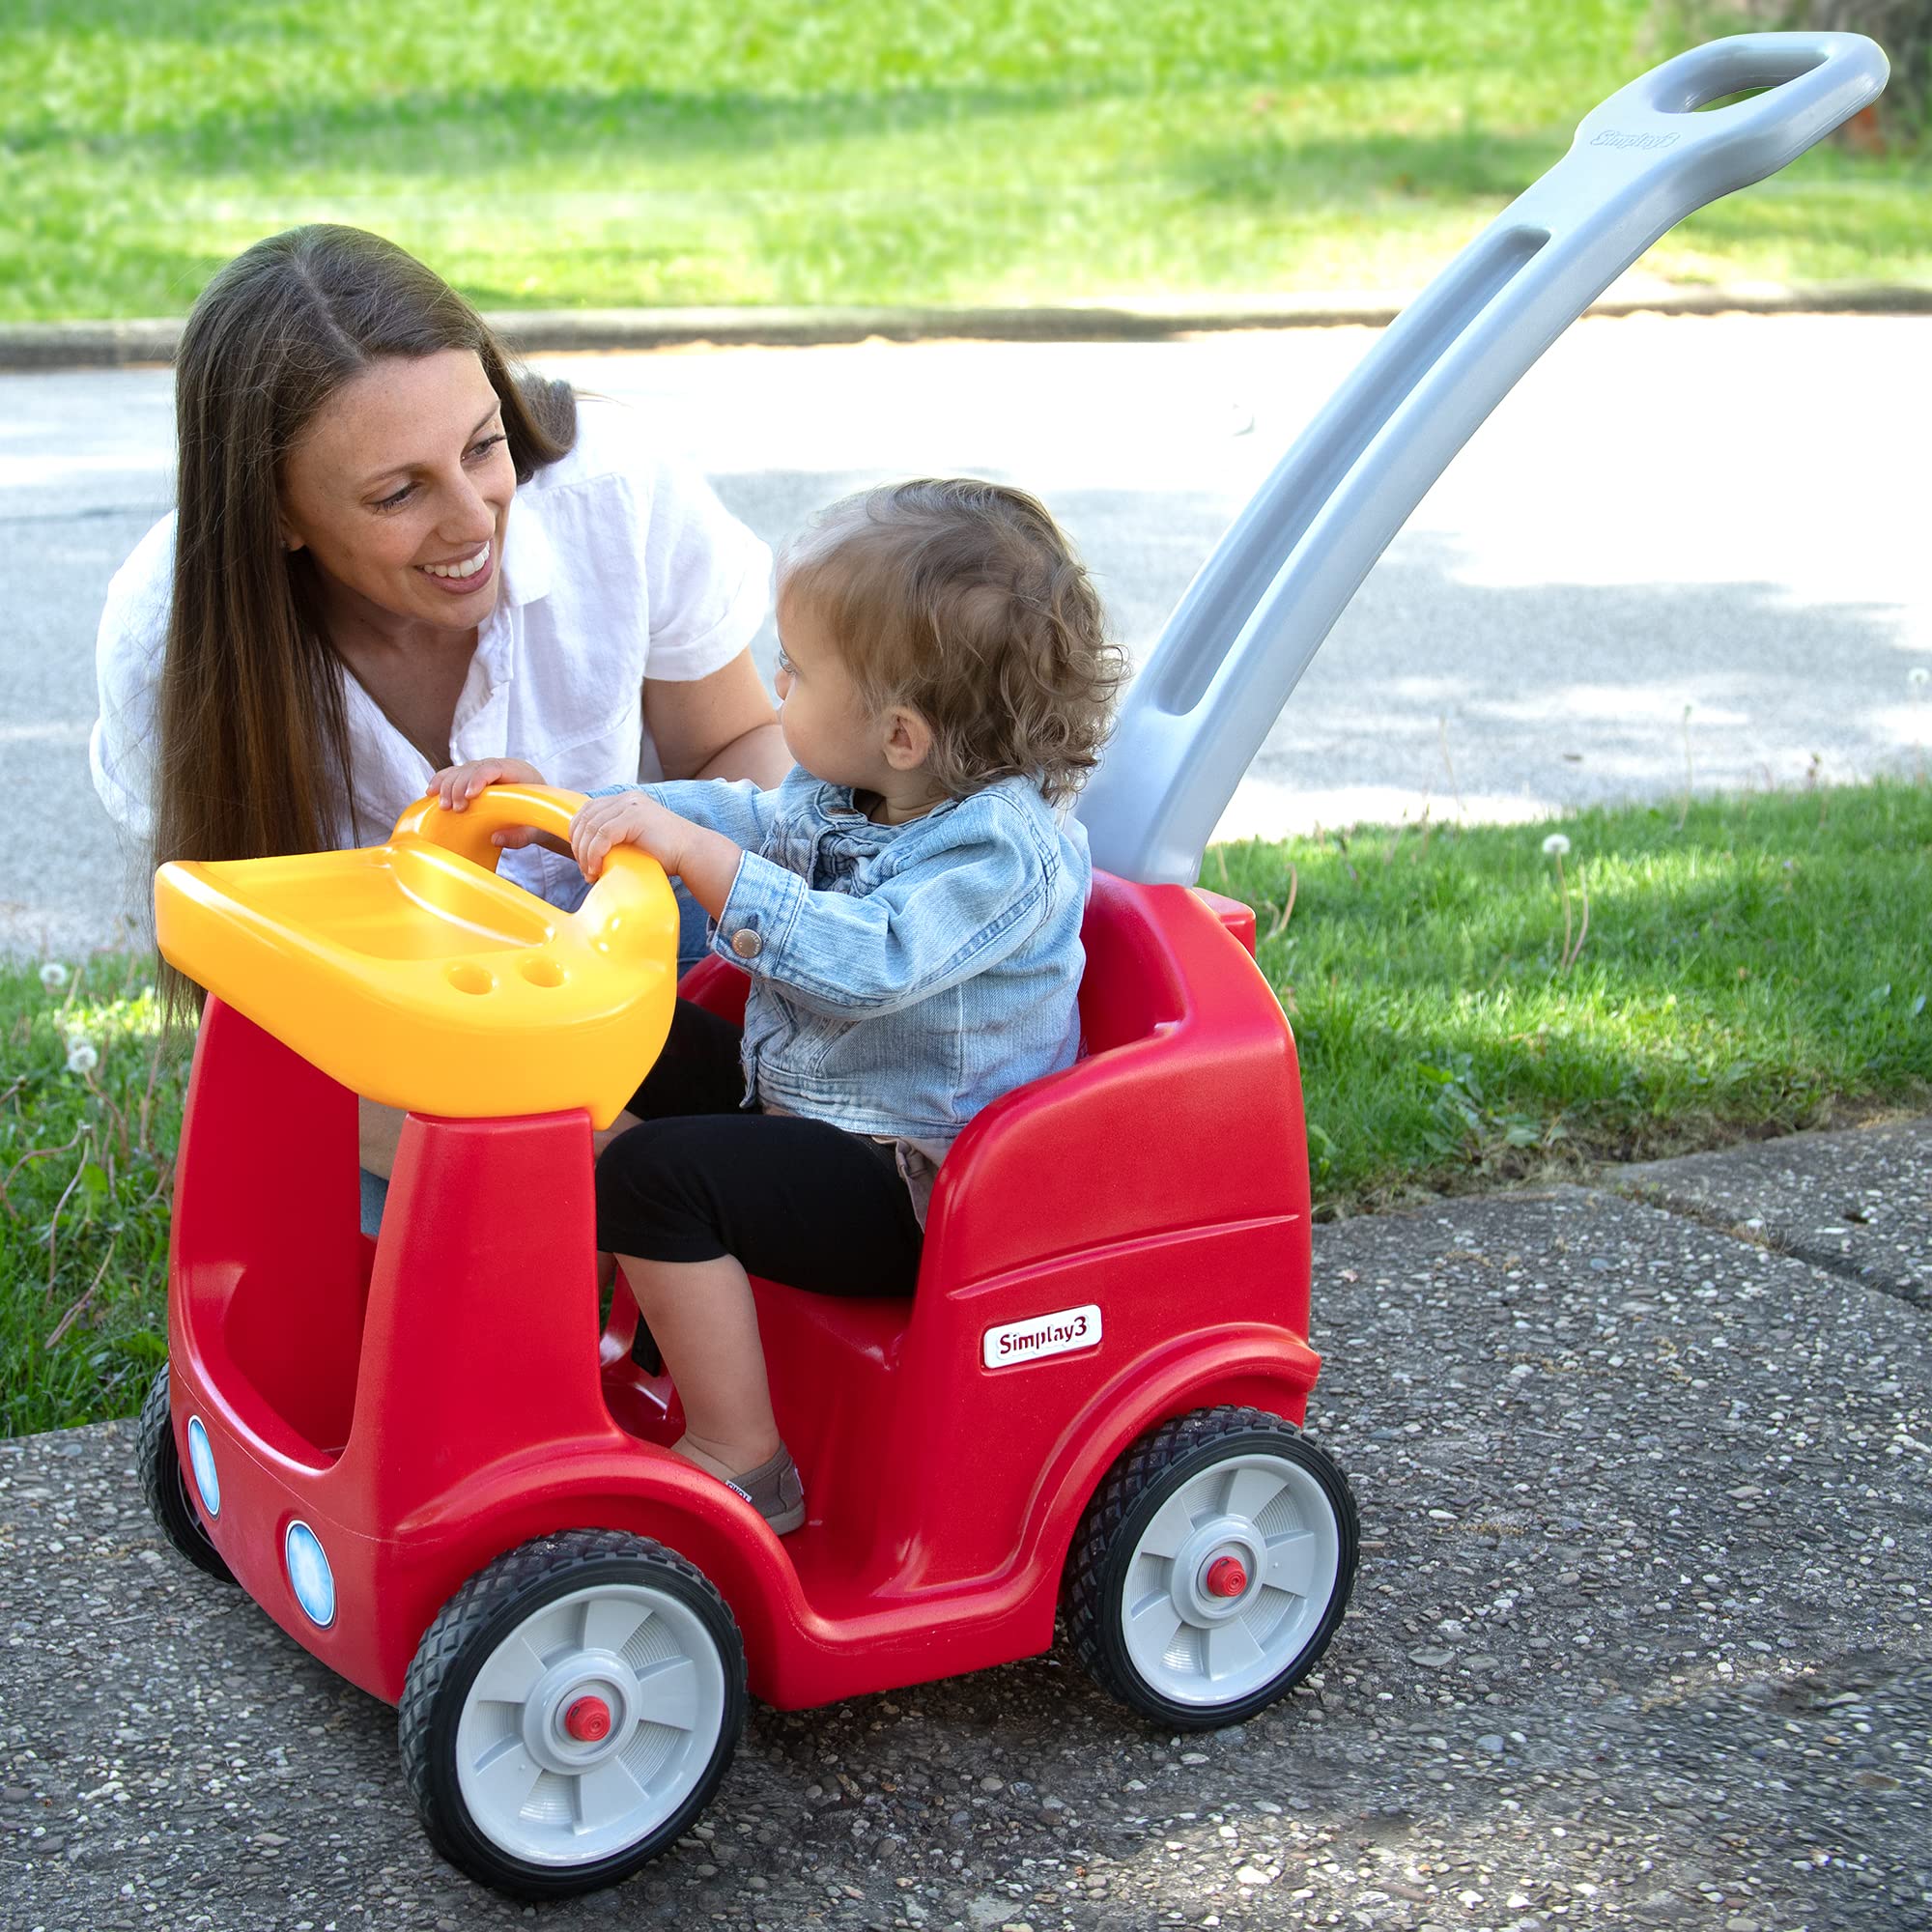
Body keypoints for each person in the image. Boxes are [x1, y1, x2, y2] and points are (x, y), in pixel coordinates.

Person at [433, 478, 1124, 1531]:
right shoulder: (853, 787)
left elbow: (873, 960)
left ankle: (743, 1456)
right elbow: (742, 815)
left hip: (909, 1181)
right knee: (610, 1030)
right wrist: (581, 813)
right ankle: (577, 1334)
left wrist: (710, 866)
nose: (773, 681)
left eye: (794, 670)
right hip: (807, 1094)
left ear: (900, 732)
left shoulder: (998, 855)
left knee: (651, 1179)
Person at [87, 224, 789, 1202]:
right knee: (424, 1276)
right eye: (397, 492)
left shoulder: (619, 487)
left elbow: (735, 743)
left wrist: (708, 870)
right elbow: (253, 1005)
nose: (472, 519)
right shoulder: (165, 630)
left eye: (482, 444)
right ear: (277, 513)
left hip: (650, 971)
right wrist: (613, 1165)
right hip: (384, 1061)